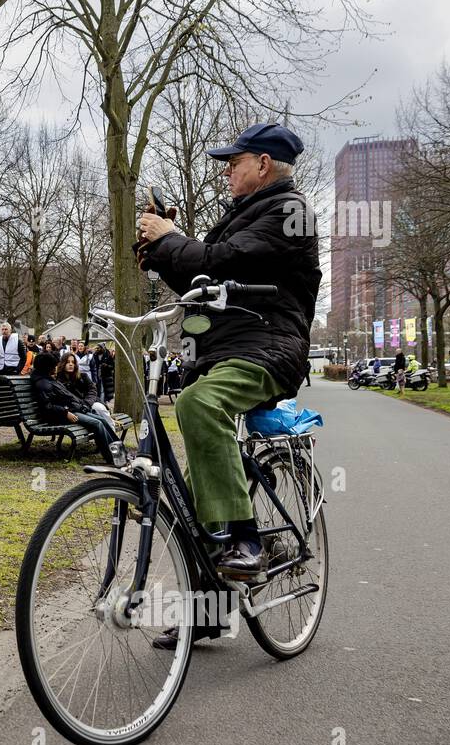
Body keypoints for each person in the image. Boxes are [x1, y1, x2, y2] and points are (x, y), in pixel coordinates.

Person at [136, 120, 319, 593]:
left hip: (268, 348)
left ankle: (248, 539)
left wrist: (172, 235)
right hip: (224, 351)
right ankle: (208, 610)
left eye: (232, 163)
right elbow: (204, 281)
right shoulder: (244, 213)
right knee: (195, 488)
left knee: (197, 404)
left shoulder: (290, 211)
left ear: (262, 164)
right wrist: (159, 252)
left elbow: (224, 259)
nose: (225, 173)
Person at [30, 353, 115, 460]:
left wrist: (81, 406)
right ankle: (111, 456)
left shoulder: (48, 379)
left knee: (102, 420)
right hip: (61, 416)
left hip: (70, 410)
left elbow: (67, 397)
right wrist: (65, 412)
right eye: (54, 365)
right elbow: (47, 406)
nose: (56, 367)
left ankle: (119, 450)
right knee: (96, 423)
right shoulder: (43, 383)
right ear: (48, 367)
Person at [55, 352, 110, 419]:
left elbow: (92, 390)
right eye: (67, 362)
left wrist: (87, 403)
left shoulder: (83, 376)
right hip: (76, 409)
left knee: (100, 408)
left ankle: (112, 428)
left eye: (73, 362)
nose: (71, 364)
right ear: (63, 364)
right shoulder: (59, 381)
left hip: (90, 403)